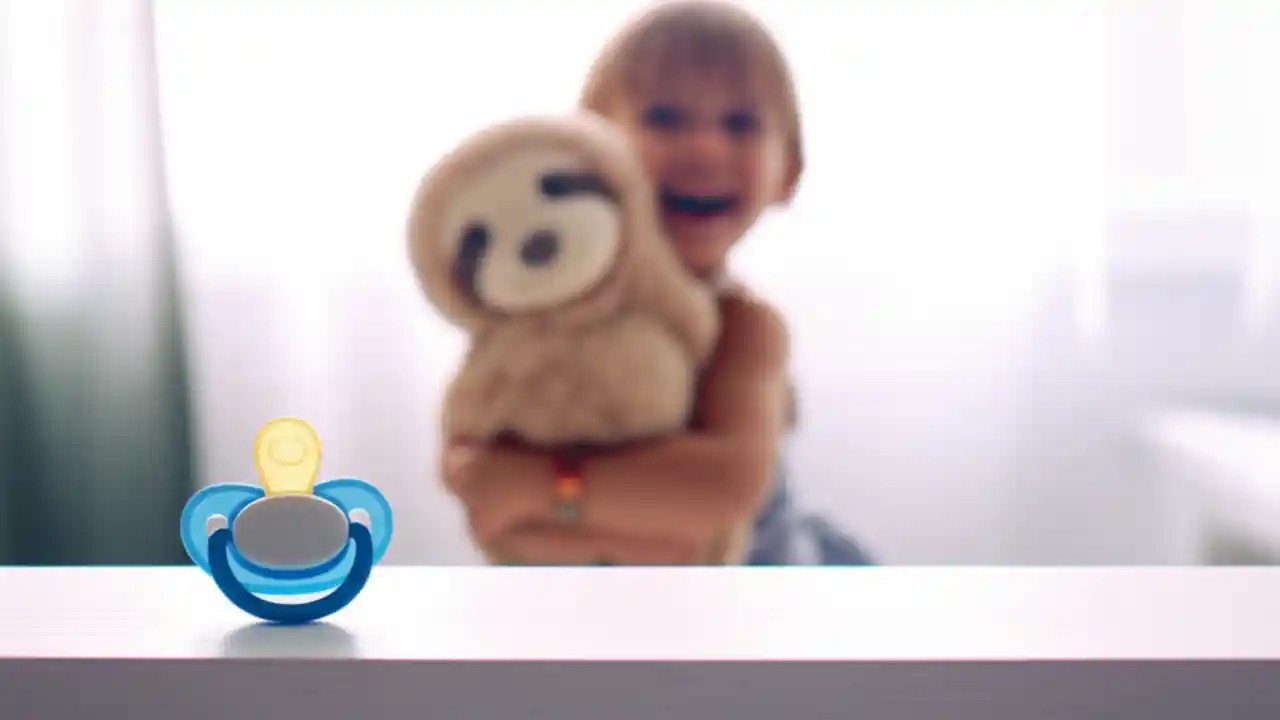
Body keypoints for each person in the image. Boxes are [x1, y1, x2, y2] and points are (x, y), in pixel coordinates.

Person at [441, 0, 873, 566]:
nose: (706, 148)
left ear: (788, 172)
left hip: (768, 584)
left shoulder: (744, 326)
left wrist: (540, 487)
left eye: (740, 124)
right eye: (665, 119)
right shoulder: (542, 310)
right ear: (592, 153)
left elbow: (721, 491)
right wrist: (637, 520)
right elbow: (481, 487)